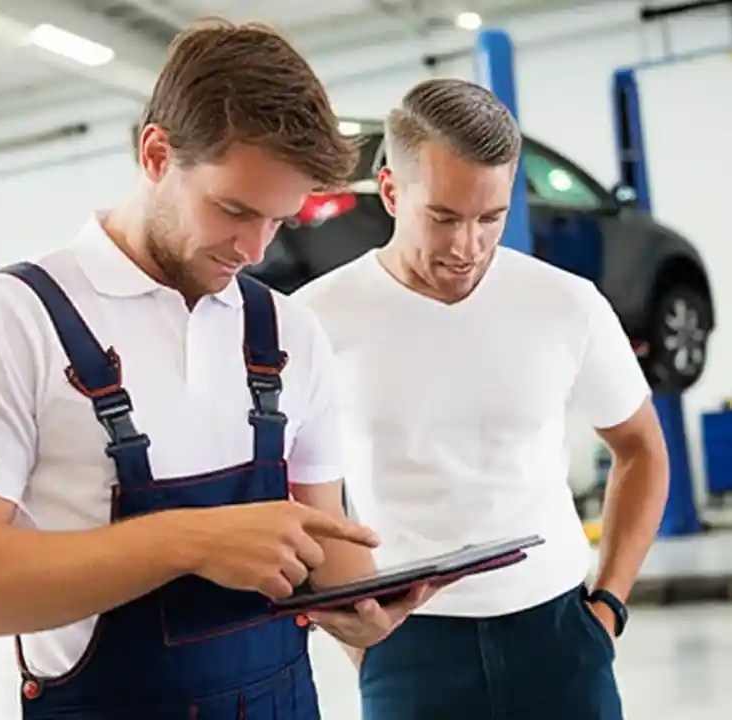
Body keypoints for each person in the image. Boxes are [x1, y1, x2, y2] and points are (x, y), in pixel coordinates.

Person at [0, 20, 434, 720]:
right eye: (233, 209)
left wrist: (363, 608)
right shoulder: (13, 319)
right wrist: (189, 540)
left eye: (279, 221)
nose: (253, 248)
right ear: (157, 154)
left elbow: (320, 541)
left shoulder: (290, 333)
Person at [291, 78, 672, 720]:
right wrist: (361, 641)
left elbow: (640, 448)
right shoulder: (315, 321)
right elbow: (296, 498)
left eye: (490, 219)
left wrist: (607, 606)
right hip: (409, 647)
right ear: (391, 192)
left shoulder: (565, 305)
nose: (467, 247)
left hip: (559, 635)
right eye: (442, 217)